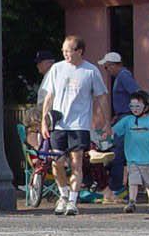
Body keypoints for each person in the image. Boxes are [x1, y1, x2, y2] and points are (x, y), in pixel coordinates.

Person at [39, 34, 110, 216]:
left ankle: (72, 200)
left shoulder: (90, 71)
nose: (65, 54)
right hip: (59, 124)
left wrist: (106, 121)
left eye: (68, 51)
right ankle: (63, 195)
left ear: (79, 51)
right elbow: (49, 96)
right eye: (63, 51)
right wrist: (44, 121)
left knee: (76, 163)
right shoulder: (57, 69)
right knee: (57, 162)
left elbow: (101, 96)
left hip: (79, 124)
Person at [111, 90, 149, 212]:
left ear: (146, 107)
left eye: (138, 106)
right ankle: (132, 202)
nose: (134, 109)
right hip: (132, 159)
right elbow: (114, 130)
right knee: (133, 181)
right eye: (132, 106)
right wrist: (106, 133)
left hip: (148, 159)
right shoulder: (127, 120)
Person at [98, 51, 138, 199]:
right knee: (119, 153)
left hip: (126, 118)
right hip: (122, 117)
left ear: (114, 65)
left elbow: (136, 93)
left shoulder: (124, 76)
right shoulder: (121, 77)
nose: (107, 70)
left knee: (118, 153)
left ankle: (117, 188)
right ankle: (119, 187)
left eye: (107, 67)